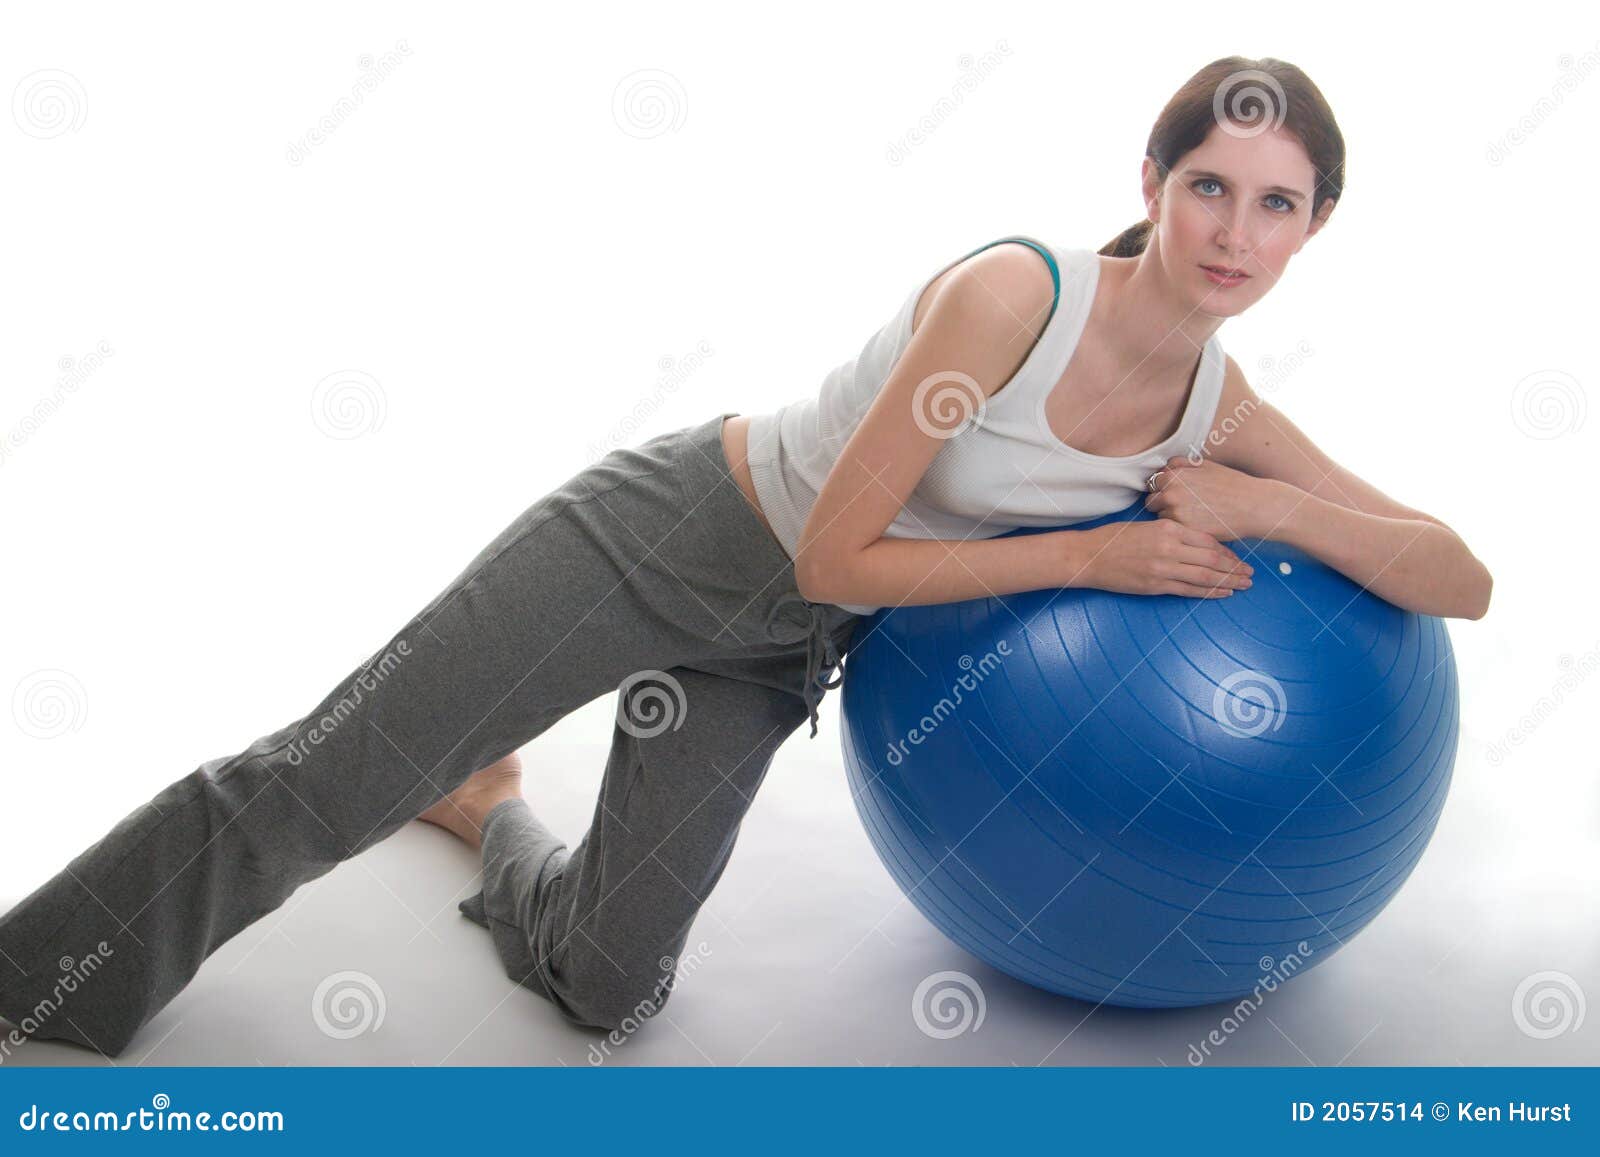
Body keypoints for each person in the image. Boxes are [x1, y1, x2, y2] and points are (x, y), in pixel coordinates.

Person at [0, 54, 1492, 1058]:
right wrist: (1090, 568)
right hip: (673, 536)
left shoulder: (1224, 413)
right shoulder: (1012, 300)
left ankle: (490, 807)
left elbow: (1457, 574)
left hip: (779, 651)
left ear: (1316, 225)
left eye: (1275, 203)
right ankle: (33, 990)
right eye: (1209, 188)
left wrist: (1274, 507)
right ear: (1156, 185)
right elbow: (840, 548)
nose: (1234, 230)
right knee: (325, 778)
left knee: (609, 990)